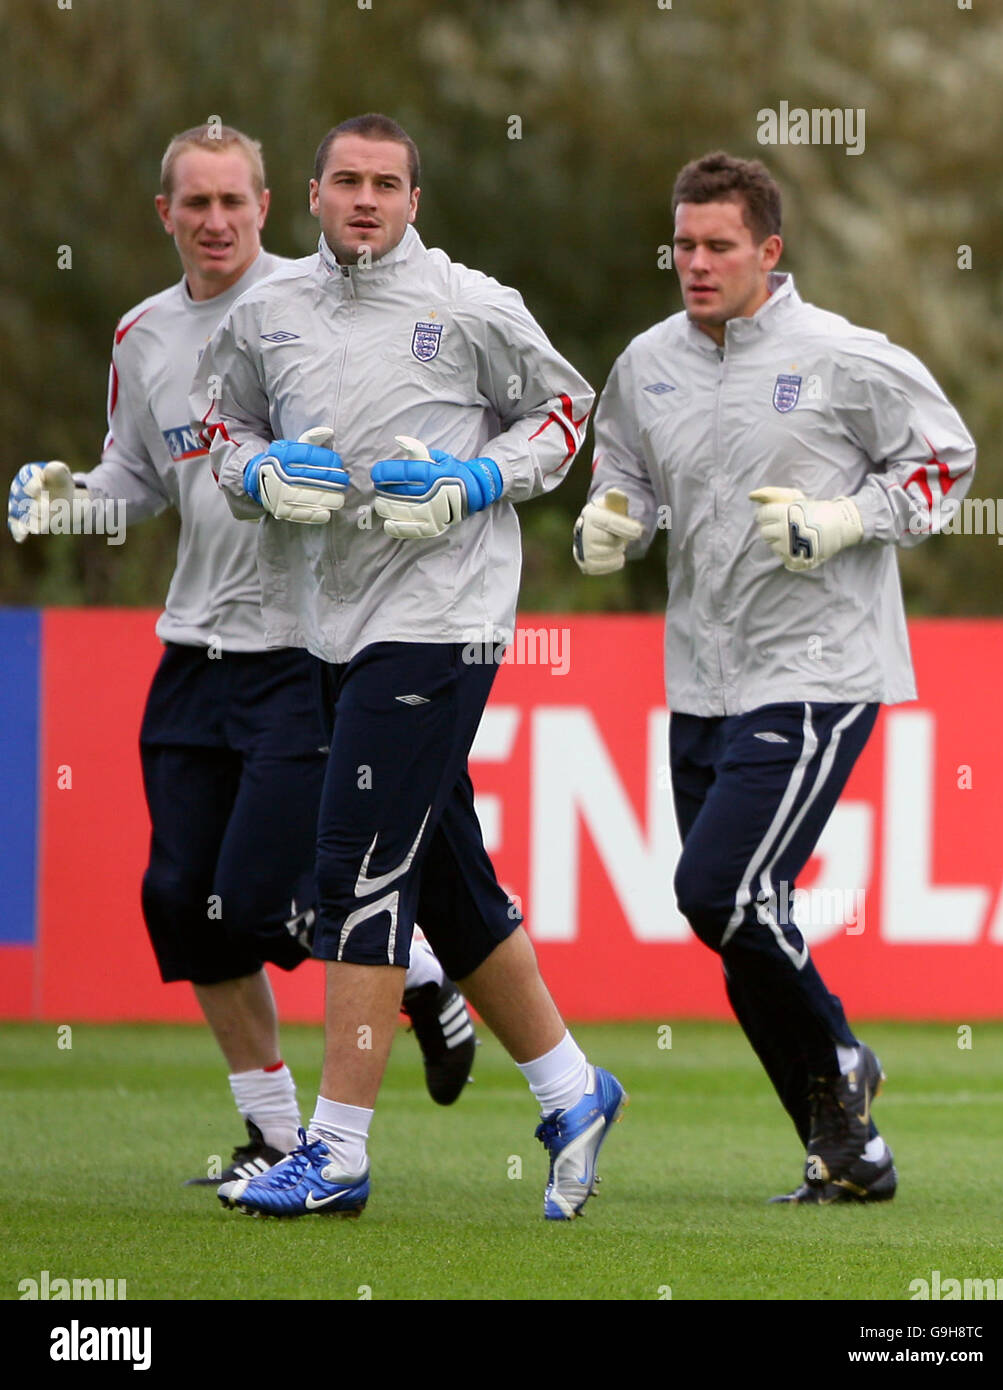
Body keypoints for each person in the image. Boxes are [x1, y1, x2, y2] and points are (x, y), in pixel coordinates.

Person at [7, 123, 477, 1189]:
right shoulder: (143, 335)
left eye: (233, 201)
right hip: (194, 649)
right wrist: (66, 503)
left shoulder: (311, 314)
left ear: (272, 204)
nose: (215, 221)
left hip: (304, 652)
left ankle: (421, 975)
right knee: (180, 903)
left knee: (262, 900)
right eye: (194, 203)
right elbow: (134, 478)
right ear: (163, 214)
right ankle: (270, 1130)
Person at [193, 113, 624, 1222]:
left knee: (355, 867)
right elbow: (215, 424)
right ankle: (572, 1091)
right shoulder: (269, 311)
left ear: (415, 200)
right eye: (347, 181)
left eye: (388, 182)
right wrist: (254, 471)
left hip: (445, 615)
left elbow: (569, 413)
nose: (367, 199)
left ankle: (335, 1151)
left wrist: (481, 481)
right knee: (445, 877)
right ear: (313, 193)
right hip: (328, 621)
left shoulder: (469, 302)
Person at [575, 150, 976, 1204]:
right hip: (700, 674)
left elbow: (944, 460)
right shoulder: (647, 361)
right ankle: (848, 1146)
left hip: (816, 667)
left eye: (717, 246)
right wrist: (613, 519)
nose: (695, 264)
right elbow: (621, 466)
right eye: (683, 245)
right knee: (736, 916)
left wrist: (847, 518)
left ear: (769, 249)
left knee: (718, 889)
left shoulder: (843, 355)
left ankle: (838, 1060)